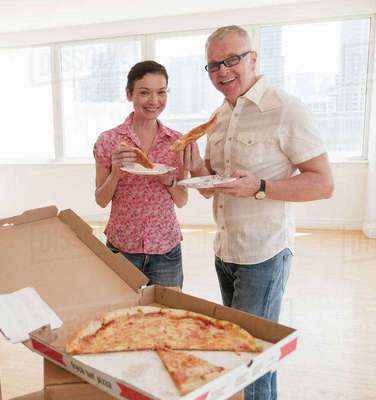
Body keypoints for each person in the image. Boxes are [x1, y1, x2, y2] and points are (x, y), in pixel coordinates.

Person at [181, 25, 334, 400]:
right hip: (225, 252)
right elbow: (216, 186)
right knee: (238, 353)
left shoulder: (285, 109)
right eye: (213, 65)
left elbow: (323, 183)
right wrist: (196, 170)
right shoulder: (220, 115)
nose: (222, 72)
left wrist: (262, 188)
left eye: (231, 60)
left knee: (254, 359)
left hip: (263, 254)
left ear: (253, 59)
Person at [93, 60, 190, 288]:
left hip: (166, 249)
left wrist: (170, 181)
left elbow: (182, 200)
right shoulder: (108, 141)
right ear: (129, 94)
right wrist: (116, 172)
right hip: (122, 248)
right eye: (144, 93)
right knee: (124, 318)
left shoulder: (177, 142)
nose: (154, 101)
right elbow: (100, 200)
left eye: (161, 92)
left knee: (167, 317)